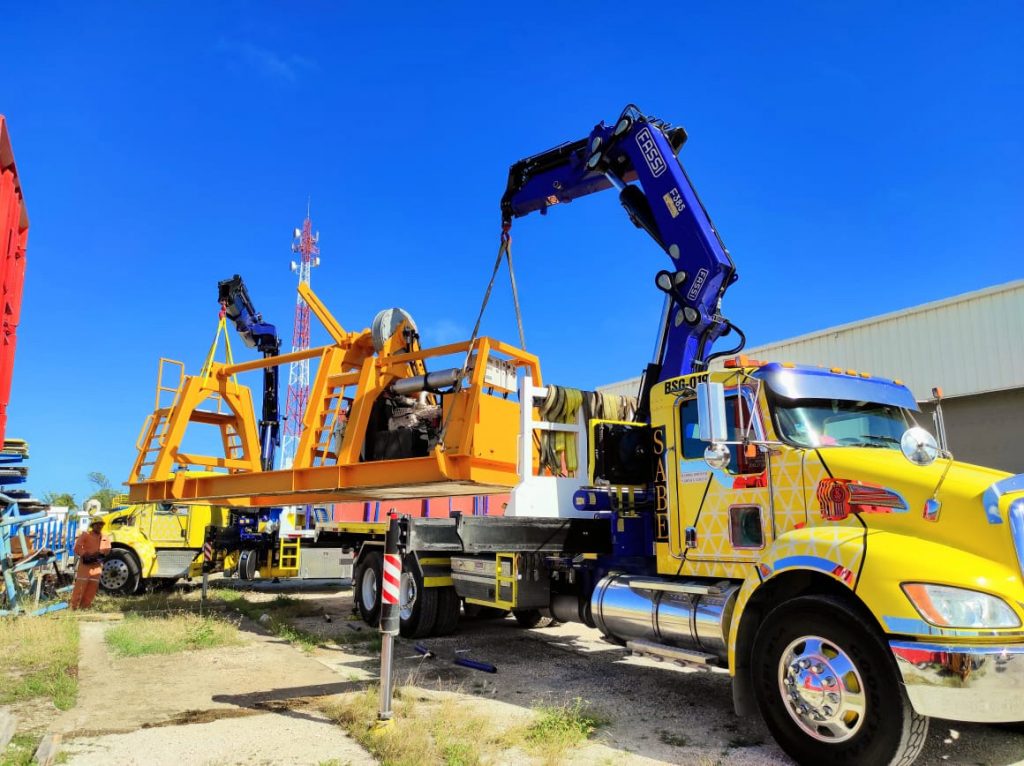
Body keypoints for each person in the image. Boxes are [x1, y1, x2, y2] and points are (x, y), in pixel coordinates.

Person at [70, 502, 111, 610]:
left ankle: (84, 607)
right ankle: (73, 607)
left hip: (97, 566)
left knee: (92, 588)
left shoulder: (105, 537)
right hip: (85, 566)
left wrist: (101, 554)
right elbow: (77, 548)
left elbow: (107, 550)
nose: (99, 526)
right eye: (97, 524)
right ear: (93, 526)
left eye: (101, 524)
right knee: (80, 587)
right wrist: (86, 554)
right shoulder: (85, 535)